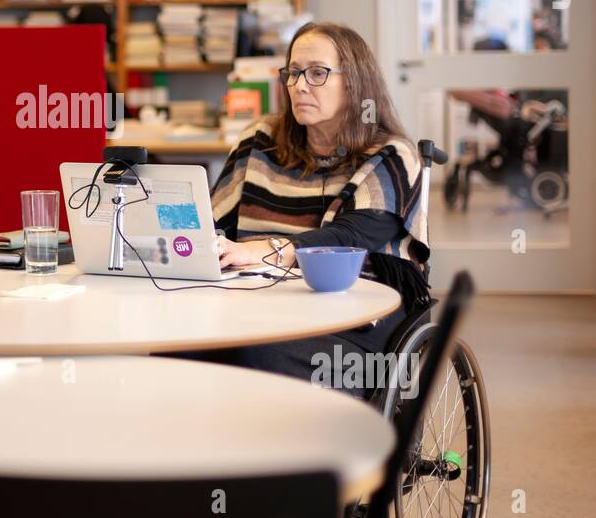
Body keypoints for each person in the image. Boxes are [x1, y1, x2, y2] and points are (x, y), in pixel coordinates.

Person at [180, 21, 431, 398]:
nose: (299, 85)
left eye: (317, 73)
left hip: (352, 325)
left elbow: (345, 240)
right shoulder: (259, 141)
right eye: (293, 73)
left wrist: (258, 250)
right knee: (180, 347)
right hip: (257, 309)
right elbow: (211, 224)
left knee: (253, 354)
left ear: (355, 83)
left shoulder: (392, 156)